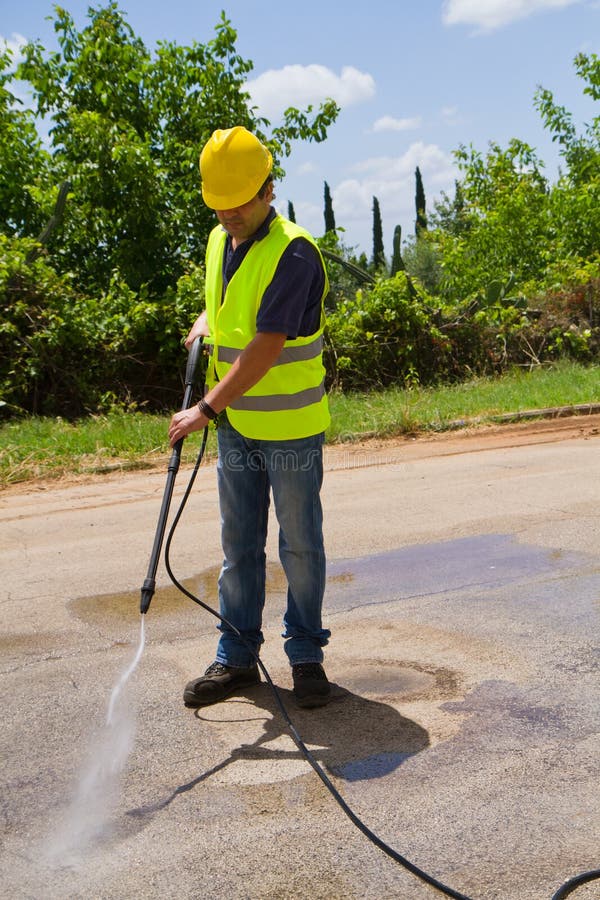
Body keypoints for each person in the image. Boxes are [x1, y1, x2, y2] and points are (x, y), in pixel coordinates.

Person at [168, 126, 332, 709]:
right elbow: (229, 304)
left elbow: (266, 345)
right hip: (237, 426)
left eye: (240, 200)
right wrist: (205, 322)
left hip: (288, 428)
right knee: (239, 544)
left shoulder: (294, 252)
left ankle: (306, 657)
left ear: (268, 189)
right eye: (219, 203)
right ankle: (236, 658)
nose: (229, 213)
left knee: (300, 546)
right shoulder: (220, 239)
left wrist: (204, 408)